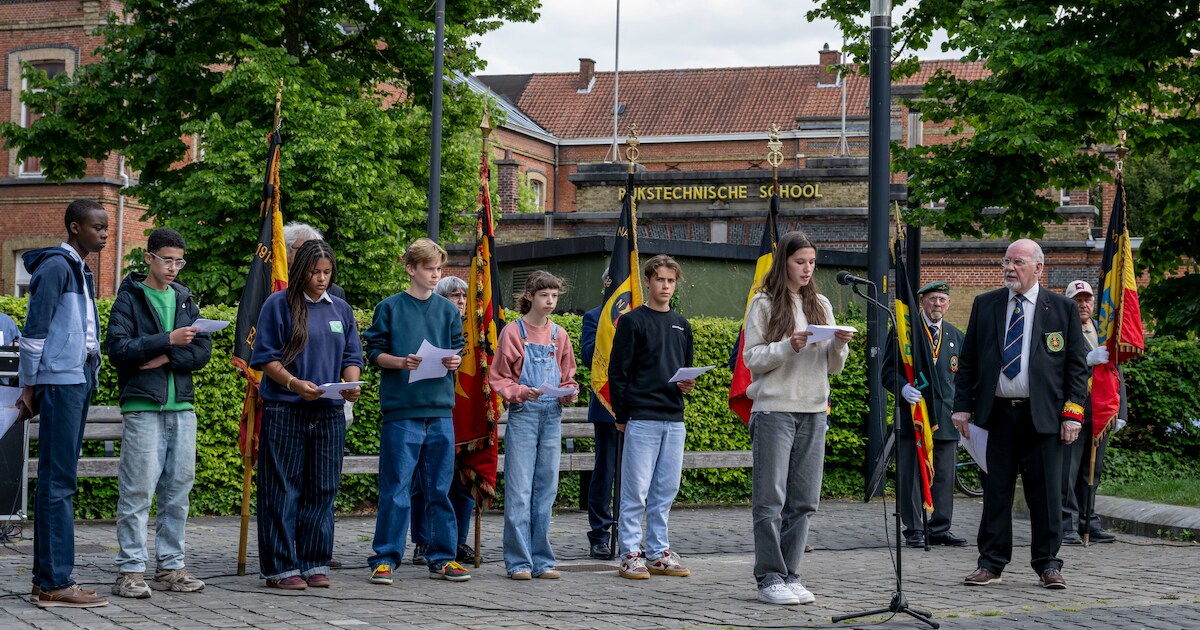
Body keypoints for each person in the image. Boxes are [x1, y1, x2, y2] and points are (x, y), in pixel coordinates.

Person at [952, 239, 1089, 590]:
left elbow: (1076, 368)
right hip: (997, 415)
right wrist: (962, 406)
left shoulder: (1060, 309)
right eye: (1006, 261)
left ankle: (1048, 563)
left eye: (1018, 262)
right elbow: (968, 360)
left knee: (1045, 495)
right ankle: (991, 562)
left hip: (1042, 417)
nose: (1009, 268)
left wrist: (1073, 414)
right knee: (996, 491)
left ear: (1039, 268)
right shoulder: (986, 305)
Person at [742, 231, 853, 605]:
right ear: (784, 263)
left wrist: (839, 344)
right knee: (770, 499)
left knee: (804, 500)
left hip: (814, 409)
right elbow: (752, 360)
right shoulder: (763, 304)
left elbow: (835, 368)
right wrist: (788, 346)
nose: (807, 269)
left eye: (811, 262)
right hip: (774, 409)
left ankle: (791, 574)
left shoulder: (821, 302)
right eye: (800, 261)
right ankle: (769, 577)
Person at [250, 239, 363, 590]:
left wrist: (351, 385)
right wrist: (294, 383)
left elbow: (351, 357)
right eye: (315, 272)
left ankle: (314, 562)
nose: (322, 278)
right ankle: (282, 568)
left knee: (323, 489)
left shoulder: (340, 310)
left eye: (327, 272)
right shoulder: (277, 305)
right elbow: (265, 358)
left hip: (329, 411)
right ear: (301, 270)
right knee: (282, 488)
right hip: (286, 408)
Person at [106, 228, 212, 598]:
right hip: (143, 407)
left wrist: (166, 354)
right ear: (149, 257)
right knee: (137, 492)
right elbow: (118, 349)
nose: (173, 268)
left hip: (182, 407)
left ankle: (170, 568)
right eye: (166, 259)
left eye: (179, 261)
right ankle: (130, 571)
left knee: (177, 493)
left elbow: (202, 353)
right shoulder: (129, 298)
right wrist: (167, 339)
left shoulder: (185, 299)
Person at [18, 199, 110, 608]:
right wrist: (30, 384)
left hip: (77, 379)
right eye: (97, 227)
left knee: (58, 481)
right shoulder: (58, 267)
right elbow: (34, 331)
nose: (104, 234)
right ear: (75, 228)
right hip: (60, 383)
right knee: (58, 483)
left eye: (107, 228)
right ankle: (56, 582)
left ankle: (46, 580)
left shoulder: (79, 268)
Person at [365, 238, 471, 584]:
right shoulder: (390, 307)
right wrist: (400, 361)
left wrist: (454, 360)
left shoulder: (446, 310)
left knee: (440, 487)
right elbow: (374, 352)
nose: (435, 275)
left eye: (439, 269)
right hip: (402, 409)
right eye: (429, 269)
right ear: (411, 269)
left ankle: (442, 557)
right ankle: (384, 558)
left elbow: (458, 350)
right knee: (396, 487)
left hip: (440, 409)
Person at [610, 255, 696, 580]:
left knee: (666, 490)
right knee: (636, 489)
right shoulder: (632, 321)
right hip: (642, 417)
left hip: (674, 417)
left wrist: (687, 384)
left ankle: (658, 552)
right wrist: (622, 414)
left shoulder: (682, 324)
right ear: (648, 281)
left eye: (670, 281)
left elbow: (683, 370)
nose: (665, 285)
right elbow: (617, 372)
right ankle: (630, 553)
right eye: (659, 279)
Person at [491, 270, 579, 580]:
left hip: (552, 416)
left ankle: (542, 560)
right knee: (519, 489)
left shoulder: (560, 334)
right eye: (545, 295)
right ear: (529, 296)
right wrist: (518, 393)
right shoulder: (514, 333)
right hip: (525, 415)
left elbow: (568, 376)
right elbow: (499, 376)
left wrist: (570, 393)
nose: (550, 301)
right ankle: (518, 562)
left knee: (546, 489)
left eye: (555, 295)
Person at [882, 280, 968, 549]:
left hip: (945, 416)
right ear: (922, 302)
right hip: (915, 415)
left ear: (949, 304)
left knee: (943, 474)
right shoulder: (904, 333)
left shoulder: (955, 336)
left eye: (942, 300)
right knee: (911, 474)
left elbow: (964, 378)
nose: (937, 305)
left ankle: (940, 527)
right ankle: (915, 528)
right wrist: (903, 388)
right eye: (932, 299)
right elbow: (886, 372)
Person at [409, 276, 477, 565]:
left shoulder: (476, 330)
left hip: (466, 414)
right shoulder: (432, 320)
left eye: (463, 296)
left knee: (464, 478)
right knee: (423, 481)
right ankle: (423, 540)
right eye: (454, 296)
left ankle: (457, 540)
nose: (460, 301)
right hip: (431, 408)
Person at [1060, 280, 1123, 545]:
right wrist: (1086, 360)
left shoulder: (1102, 331)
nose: (1083, 305)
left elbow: (1116, 373)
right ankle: (1066, 525)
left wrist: (1121, 412)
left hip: (1100, 411)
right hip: (1072, 411)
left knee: (1091, 471)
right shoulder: (1060, 331)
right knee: (1067, 471)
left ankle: (1089, 520)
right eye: (1077, 300)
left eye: (1087, 300)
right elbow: (1054, 369)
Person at [582, 270, 618, 560]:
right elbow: (587, 355)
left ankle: (629, 534)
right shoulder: (594, 317)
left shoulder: (642, 315)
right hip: (607, 405)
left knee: (636, 476)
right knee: (604, 472)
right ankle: (600, 534)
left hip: (640, 406)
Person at [284, 222, 347, 303]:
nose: (310, 255)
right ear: (287, 253)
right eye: (304, 250)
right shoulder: (275, 285)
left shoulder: (336, 293)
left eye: (315, 250)